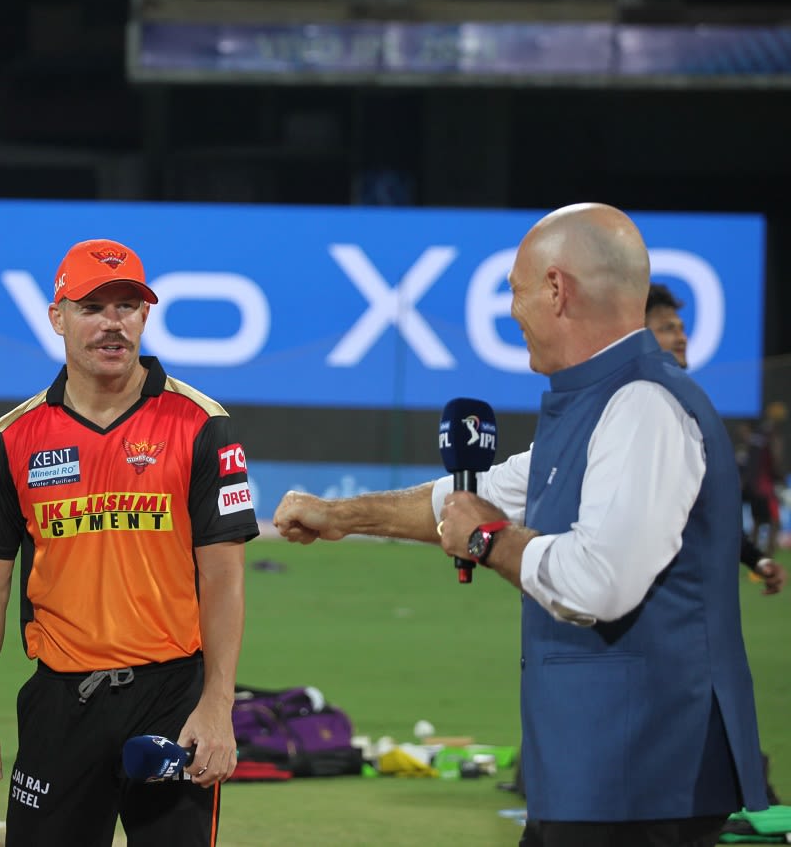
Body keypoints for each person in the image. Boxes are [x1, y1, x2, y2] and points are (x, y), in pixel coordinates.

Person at [274, 204, 768, 847]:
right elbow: (476, 494)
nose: (513, 311)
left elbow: (600, 582)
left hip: (642, 778)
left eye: (517, 290)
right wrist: (339, 515)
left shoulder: (643, 404)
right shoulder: (603, 399)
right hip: (599, 773)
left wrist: (488, 540)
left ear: (558, 290)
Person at [0, 238, 258, 847]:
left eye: (126, 306)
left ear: (146, 315)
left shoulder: (201, 424)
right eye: (92, 307)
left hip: (174, 699)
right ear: (57, 316)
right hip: (61, 702)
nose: (111, 323)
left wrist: (219, 706)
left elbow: (223, 575)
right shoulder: (11, 438)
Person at [646, 282, 785, 594]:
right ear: (639, 337)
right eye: (668, 328)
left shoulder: (687, 405)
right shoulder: (635, 406)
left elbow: (706, 503)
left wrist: (755, 558)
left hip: (691, 592)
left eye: (682, 328)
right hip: (660, 596)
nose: (682, 337)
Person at [738, 400, 787, 559]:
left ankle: (755, 559)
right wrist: (780, 478)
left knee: (758, 522)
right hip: (765, 487)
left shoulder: (757, 436)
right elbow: (775, 459)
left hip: (753, 487)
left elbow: (750, 461)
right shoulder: (772, 436)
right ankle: (767, 559)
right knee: (774, 522)